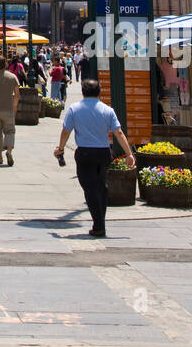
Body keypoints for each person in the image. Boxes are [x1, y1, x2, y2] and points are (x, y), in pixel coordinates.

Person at [53, 78, 136, 237]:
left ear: (83, 92)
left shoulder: (74, 109)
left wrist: (61, 148)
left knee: (90, 188)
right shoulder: (107, 110)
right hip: (104, 152)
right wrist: (129, 153)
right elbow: (118, 132)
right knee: (101, 187)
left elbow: (66, 131)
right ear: (99, 92)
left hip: (85, 153)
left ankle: (99, 225)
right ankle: (99, 223)